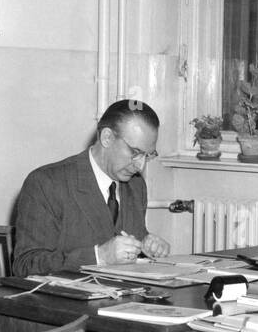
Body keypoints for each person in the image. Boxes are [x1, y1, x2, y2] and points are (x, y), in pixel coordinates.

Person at [12, 100, 171, 276]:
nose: (140, 166)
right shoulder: (46, 183)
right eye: (135, 153)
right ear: (107, 138)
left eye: (148, 156)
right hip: (63, 301)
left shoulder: (136, 185)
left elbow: (127, 245)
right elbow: (24, 266)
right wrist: (99, 256)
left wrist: (146, 246)